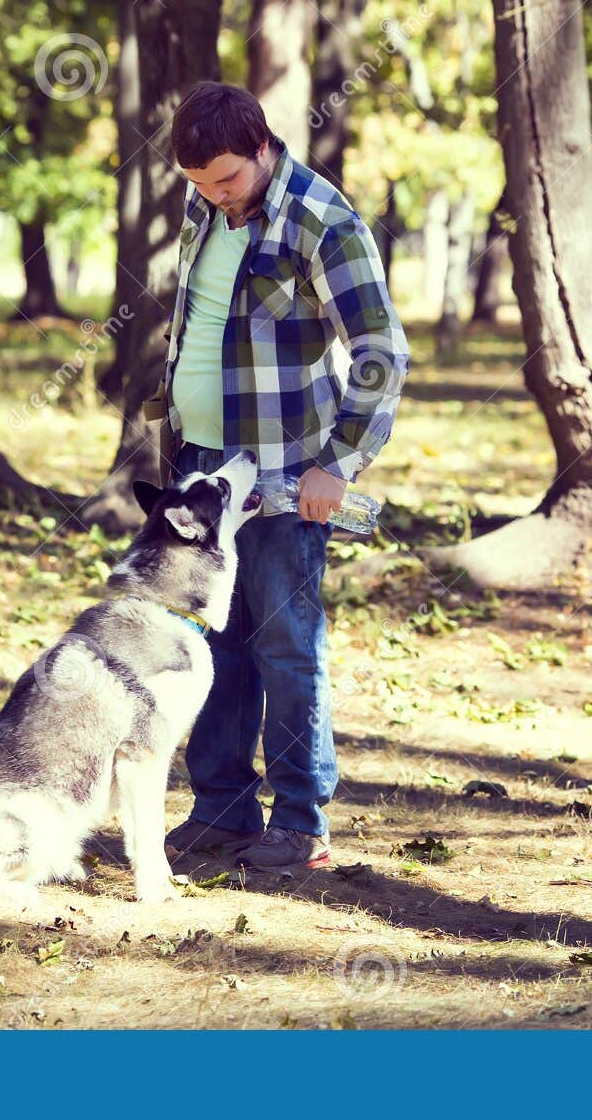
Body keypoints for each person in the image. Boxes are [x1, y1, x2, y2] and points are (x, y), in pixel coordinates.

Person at [152, 81, 409, 873]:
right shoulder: (209, 206)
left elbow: (380, 350)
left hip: (285, 471)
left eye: (226, 179)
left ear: (262, 147)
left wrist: (339, 462)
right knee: (213, 641)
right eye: (198, 184)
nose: (214, 197)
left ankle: (301, 822)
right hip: (203, 470)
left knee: (285, 647)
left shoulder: (322, 219)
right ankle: (223, 809)